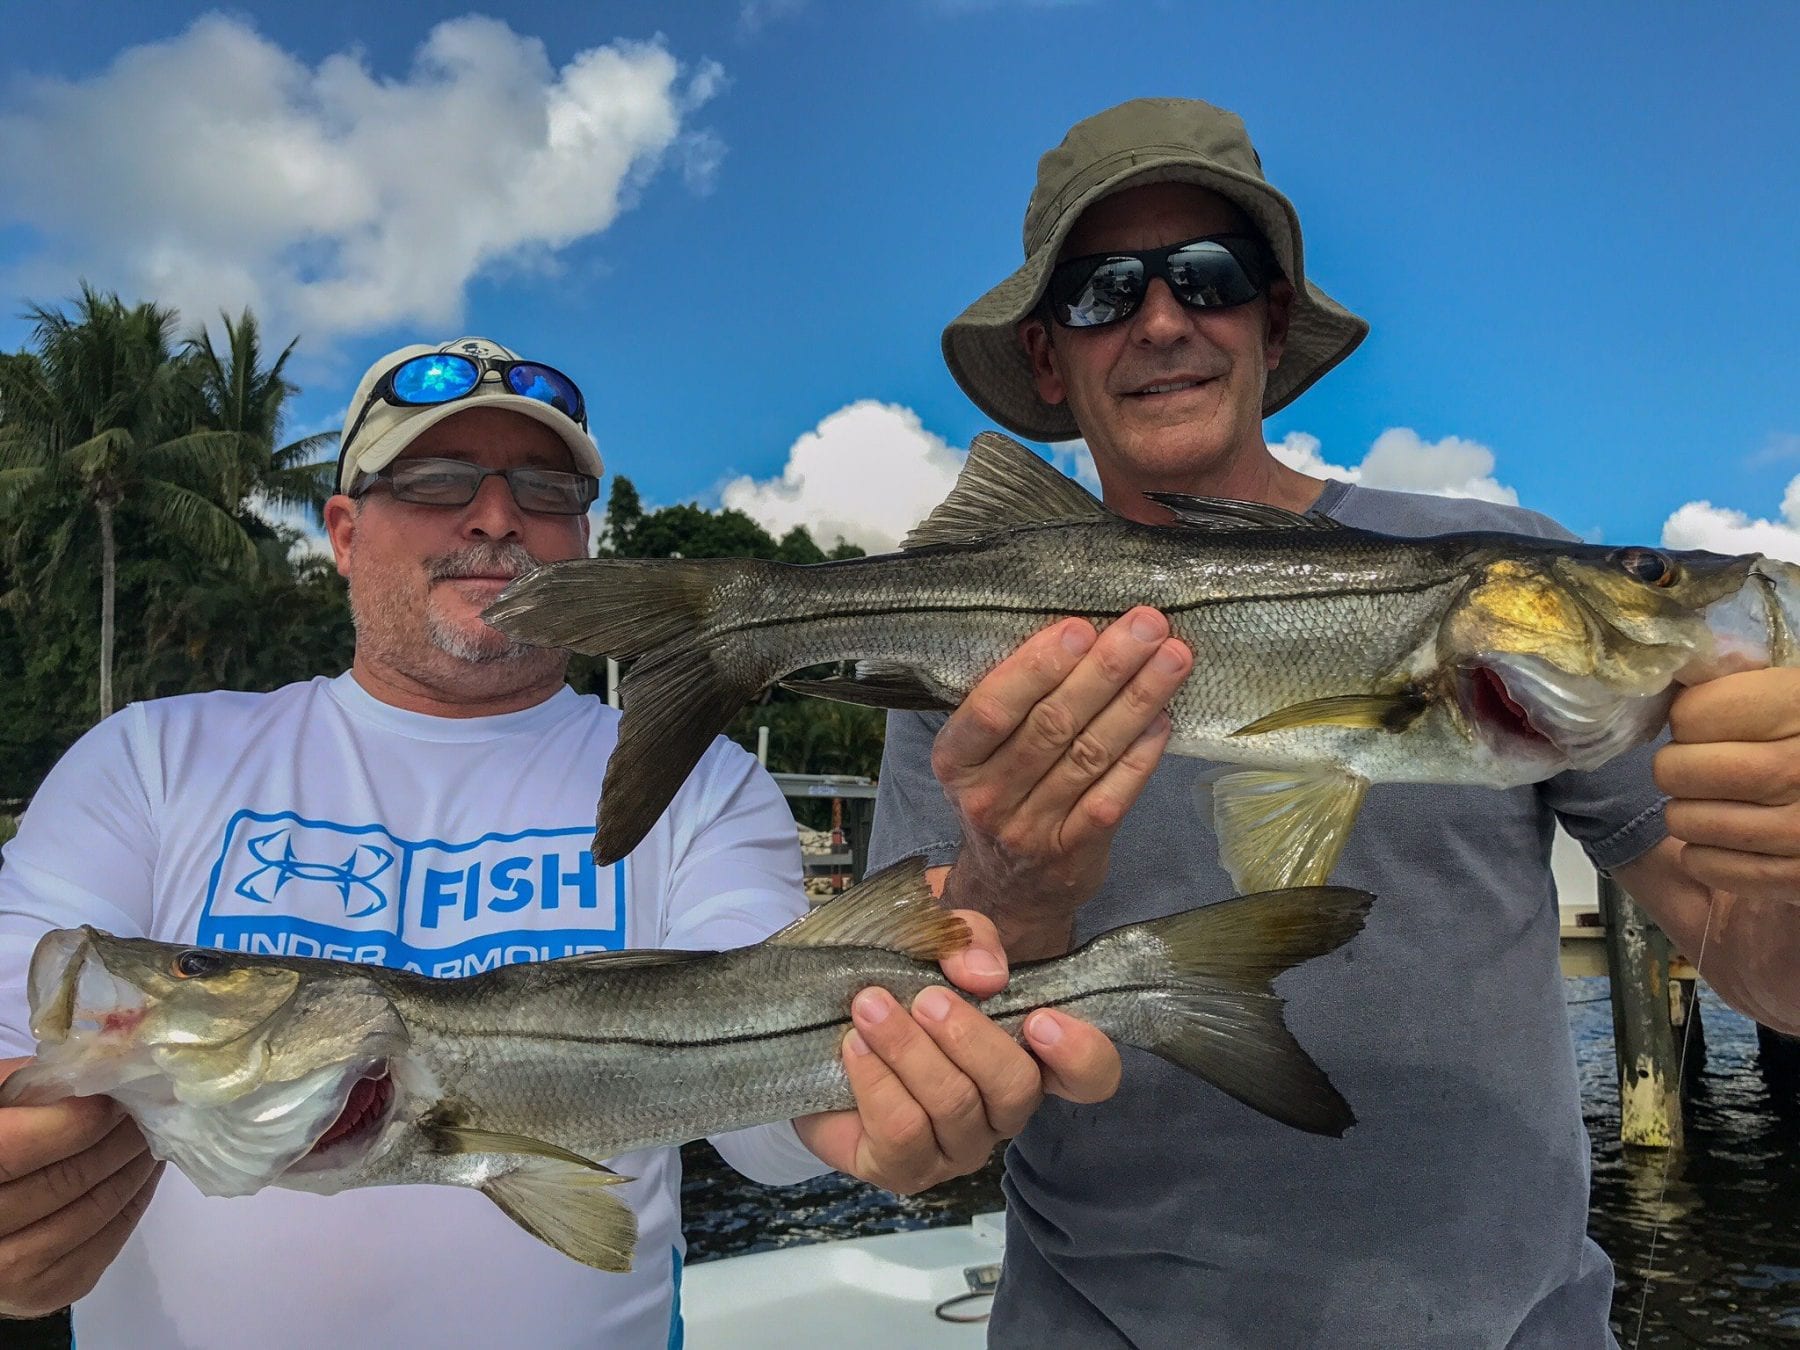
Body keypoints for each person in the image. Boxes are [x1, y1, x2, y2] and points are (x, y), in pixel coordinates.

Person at [868, 99, 1800, 1348]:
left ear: (1269, 318)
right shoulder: (959, 657)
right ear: (1048, 359)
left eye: (1209, 276)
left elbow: (1761, 970)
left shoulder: (1520, 573)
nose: (1160, 319)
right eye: (1100, 292)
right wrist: (1006, 887)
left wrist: (1786, 873)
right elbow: (896, 1110)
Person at [0, 336, 1120, 1348]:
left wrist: (879, 1114)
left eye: (544, 489)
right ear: (343, 532)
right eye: (437, 482)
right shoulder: (148, 759)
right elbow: (15, 1059)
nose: (495, 519)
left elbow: (768, 1121)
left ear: (584, 537)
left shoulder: (702, 781)